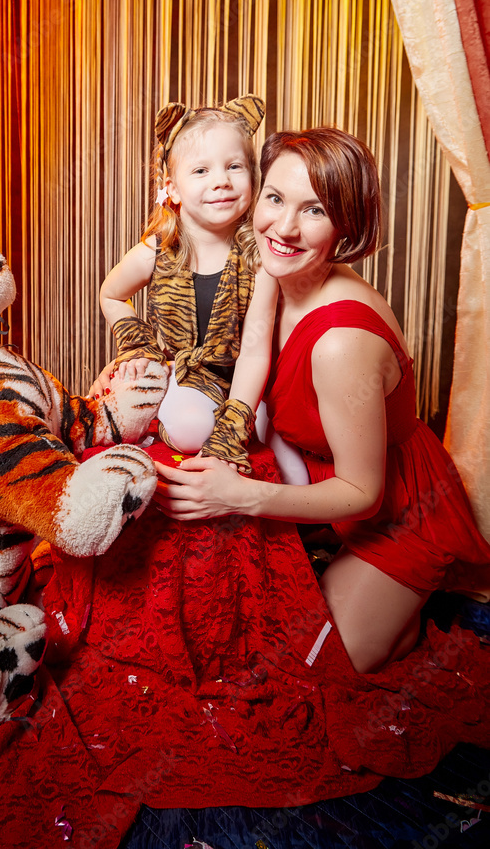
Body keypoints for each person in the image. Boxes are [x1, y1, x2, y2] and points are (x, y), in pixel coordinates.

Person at [154, 126, 490, 674]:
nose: (282, 228)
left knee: (309, 673)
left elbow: (362, 492)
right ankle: (385, 611)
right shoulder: (274, 268)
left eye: (314, 211)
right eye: (275, 198)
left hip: (395, 512)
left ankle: (405, 603)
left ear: (347, 225)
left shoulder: (340, 344)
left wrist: (241, 495)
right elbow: (249, 355)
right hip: (318, 482)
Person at [93, 94, 307, 480]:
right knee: (192, 429)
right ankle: (157, 410)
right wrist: (136, 342)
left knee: (295, 470)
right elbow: (111, 294)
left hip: (244, 376)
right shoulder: (155, 253)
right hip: (187, 372)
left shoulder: (260, 262)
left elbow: (255, 354)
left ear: (254, 180)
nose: (221, 181)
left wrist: (236, 420)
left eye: (234, 167)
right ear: (172, 188)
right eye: (201, 171)